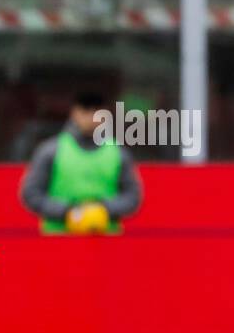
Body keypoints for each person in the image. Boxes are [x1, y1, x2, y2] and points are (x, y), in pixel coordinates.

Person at [19, 93, 144, 235]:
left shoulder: (119, 153)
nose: (91, 118)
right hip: (58, 243)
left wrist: (104, 209)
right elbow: (31, 194)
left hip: (106, 245)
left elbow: (133, 196)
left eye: (96, 111)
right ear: (74, 113)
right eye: (85, 111)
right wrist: (67, 210)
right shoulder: (51, 150)